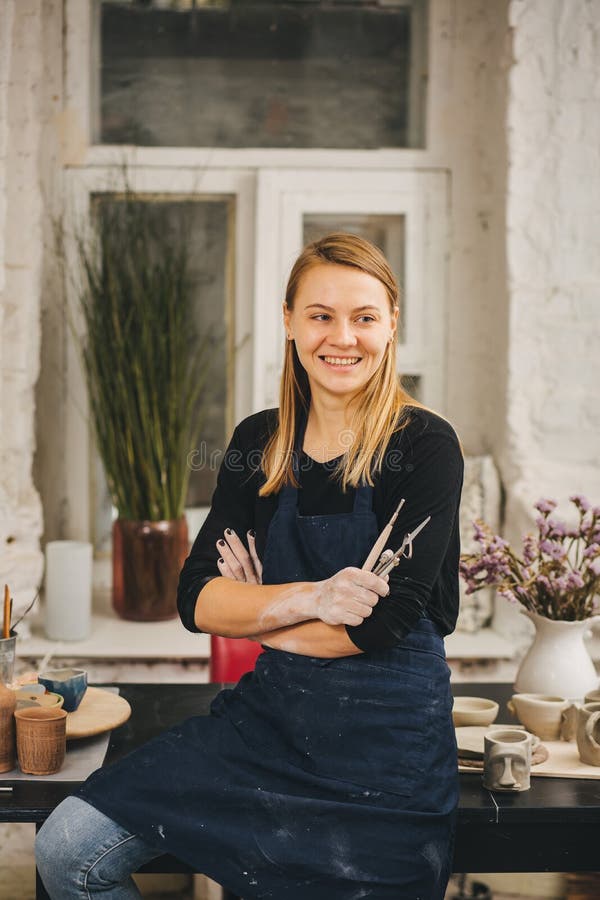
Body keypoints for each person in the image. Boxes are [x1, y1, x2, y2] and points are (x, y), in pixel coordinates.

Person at [36, 233, 464, 900]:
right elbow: (195, 600)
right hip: (267, 727)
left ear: (392, 324)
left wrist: (256, 617)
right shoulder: (256, 443)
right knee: (67, 850)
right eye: (320, 315)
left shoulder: (426, 446)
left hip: (386, 753)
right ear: (290, 320)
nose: (342, 337)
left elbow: (379, 627)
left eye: (365, 317)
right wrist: (313, 598)